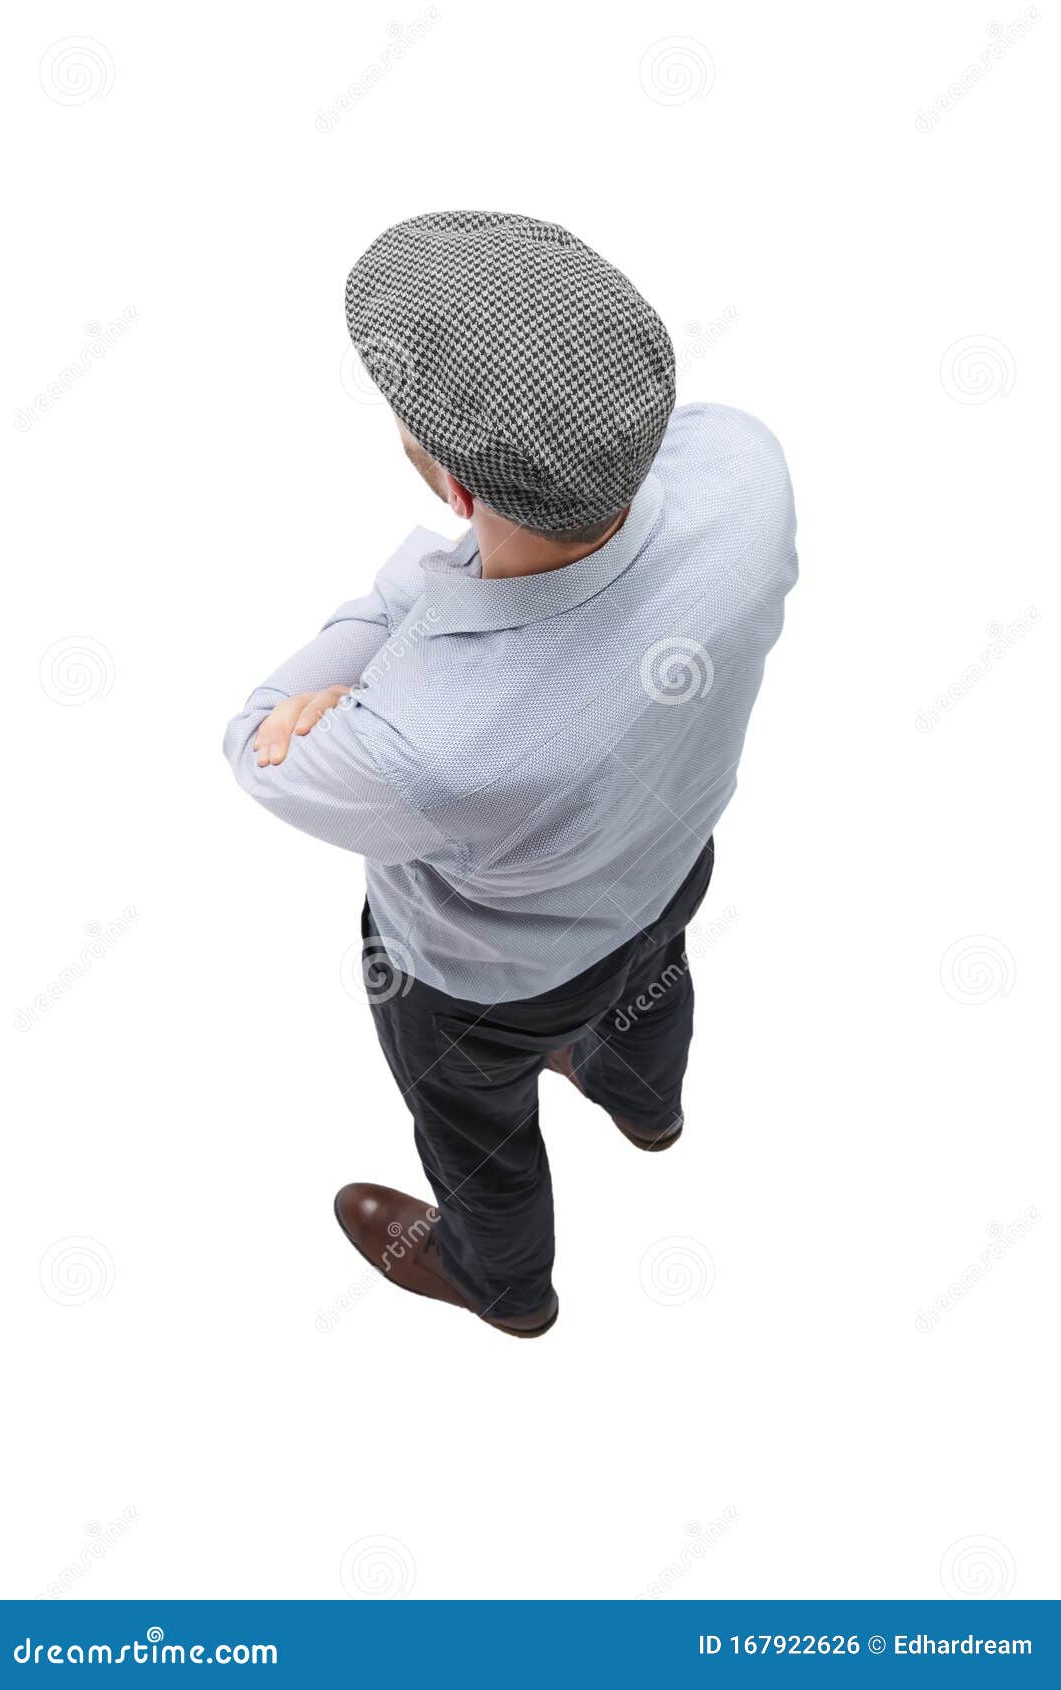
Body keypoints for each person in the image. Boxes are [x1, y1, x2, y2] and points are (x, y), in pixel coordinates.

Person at [223, 210, 797, 1338]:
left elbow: (253, 741)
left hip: (478, 990)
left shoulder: (426, 747)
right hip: (667, 867)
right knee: (651, 979)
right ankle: (646, 1108)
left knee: (472, 1129)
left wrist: (408, 595)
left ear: (453, 489)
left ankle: (504, 1285)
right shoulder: (746, 469)